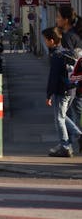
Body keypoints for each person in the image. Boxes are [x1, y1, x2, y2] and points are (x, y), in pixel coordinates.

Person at [42, 26, 81, 158]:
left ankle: (65, 146)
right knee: (64, 116)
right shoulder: (66, 52)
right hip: (72, 90)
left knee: (59, 118)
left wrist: (49, 94)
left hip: (62, 91)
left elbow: (53, 77)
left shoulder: (57, 56)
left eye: (45, 40)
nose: (45, 42)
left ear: (52, 41)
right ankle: (76, 135)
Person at [55, 5, 82, 141]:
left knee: (65, 114)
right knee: (73, 112)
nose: (56, 19)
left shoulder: (67, 37)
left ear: (65, 20)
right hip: (77, 80)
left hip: (72, 82)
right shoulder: (75, 35)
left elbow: (70, 60)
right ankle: (70, 141)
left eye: (58, 17)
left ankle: (71, 141)